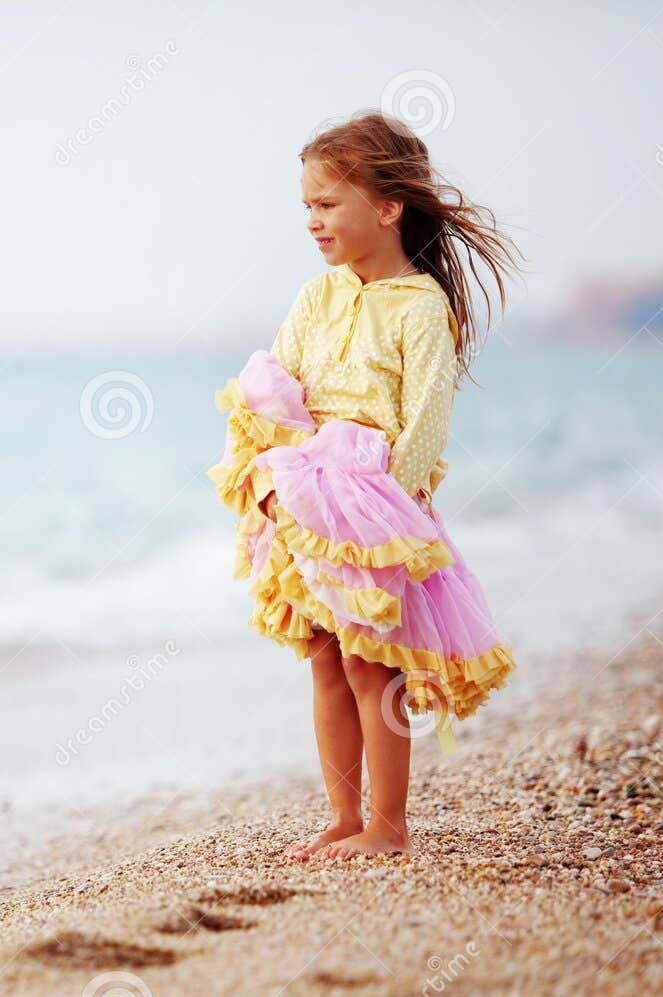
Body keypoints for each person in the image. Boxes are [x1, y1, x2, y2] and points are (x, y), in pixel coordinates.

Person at [206, 110, 523, 862]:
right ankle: (344, 815)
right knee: (323, 654)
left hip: (379, 505)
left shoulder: (420, 307)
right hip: (307, 498)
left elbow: (426, 423)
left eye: (327, 205)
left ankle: (390, 823)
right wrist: (271, 481)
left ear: (387, 207)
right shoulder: (317, 297)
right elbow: (276, 387)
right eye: (307, 208)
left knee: (367, 662)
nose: (313, 222)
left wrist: (394, 511)